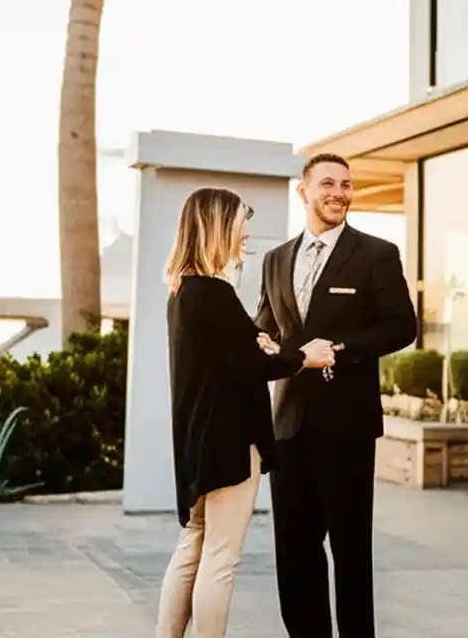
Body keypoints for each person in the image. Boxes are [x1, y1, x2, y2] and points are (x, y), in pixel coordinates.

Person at [155, 187, 337, 638]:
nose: (246, 233)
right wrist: (304, 357)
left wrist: (260, 345)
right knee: (221, 557)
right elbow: (250, 367)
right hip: (230, 441)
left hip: (197, 440)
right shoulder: (214, 293)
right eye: (241, 223)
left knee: (193, 544)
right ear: (217, 227)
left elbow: (230, 357)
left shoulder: (183, 292)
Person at [255, 153, 417, 637]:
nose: (339, 193)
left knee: (349, 551)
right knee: (294, 552)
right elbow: (267, 328)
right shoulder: (275, 259)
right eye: (327, 183)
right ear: (303, 192)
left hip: (347, 425)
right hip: (288, 425)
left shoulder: (376, 254)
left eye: (346, 185)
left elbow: (401, 326)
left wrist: (342, 351)